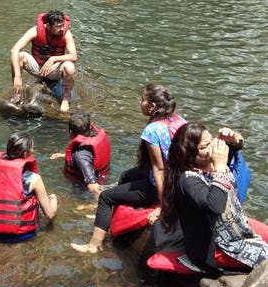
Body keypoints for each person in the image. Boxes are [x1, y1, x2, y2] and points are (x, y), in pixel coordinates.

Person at [71, 83, 185, 253]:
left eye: (142, 100)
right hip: (179, 178)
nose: (140, 103)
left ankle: (93, 246)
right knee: (126, 176)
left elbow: (159, 169)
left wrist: (163, 205)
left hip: (164, 183)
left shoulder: (152, 130)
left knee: (106, 197)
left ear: (152, 106)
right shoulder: (178, 120)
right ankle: (104, 217)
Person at [159, 123, 268, 273]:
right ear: (190, 156)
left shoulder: (207, 164)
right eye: (206, 145)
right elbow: (214, 206)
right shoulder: (188, 180)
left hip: (237, 232)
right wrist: (221, 167)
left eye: (212, 141)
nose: (214, 148)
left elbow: (234, 150)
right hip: (216, 248)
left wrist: (235, 140)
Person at [0, 132, 58, 241]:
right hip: (20, 236)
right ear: (26, 154)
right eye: (32, 149)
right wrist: (54, 199)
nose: (33, 152)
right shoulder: (34, 178)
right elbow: (49, 214)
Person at [10, 10, 77, 113]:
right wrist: (17, 77)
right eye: (58, 26)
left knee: (69, 66)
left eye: (62, 25)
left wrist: (53, 59)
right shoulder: (35, 31)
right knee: (19, 55)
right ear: (48, 25)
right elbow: (14, 49)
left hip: (54, 70)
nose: (62, 29)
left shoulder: (66, 33)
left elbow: (74, 56)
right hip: (38, 67)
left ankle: (65, 99)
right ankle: (16, 95)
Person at [50, 111, 111, 202]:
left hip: (84, 190)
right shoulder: (94, 139)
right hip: (105, 176)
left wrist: (94, 207)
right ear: (90, 128)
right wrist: (64, 155)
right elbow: (91, 157)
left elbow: (94, 187)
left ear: (70, 132)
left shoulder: (80, 156)